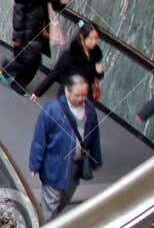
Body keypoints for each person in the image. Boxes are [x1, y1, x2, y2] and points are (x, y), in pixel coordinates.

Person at [29, 74, 102, 220]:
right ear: (67, 91)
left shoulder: (90, 111)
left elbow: (94, 136)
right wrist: (35, 164)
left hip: (76, 167)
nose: (81, 99)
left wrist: (96, 159)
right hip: (54, 167)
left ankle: (49, 221)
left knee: (64, 199)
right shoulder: (52, 110)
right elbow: (40, 139)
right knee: (51, 204)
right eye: (77, 95)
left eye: (84, 95)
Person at [1, 0, 69, 93]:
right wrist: (17, 37)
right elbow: (18, 14)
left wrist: (60, 3)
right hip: (27, 33)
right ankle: (12, 77)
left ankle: (10, 74)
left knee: (31, 61)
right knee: (30, 61)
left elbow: (46, 5)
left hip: (39, 30)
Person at [32, 21, 104, 101]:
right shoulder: (70, 55)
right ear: (82, 37)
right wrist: (38, 92)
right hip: (68, 97)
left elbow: (92, 77)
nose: (94, 42)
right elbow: (54, 74)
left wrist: (99, 73)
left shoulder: (94, 56)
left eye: (96, 38)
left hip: (85, 98)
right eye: (91, 38)